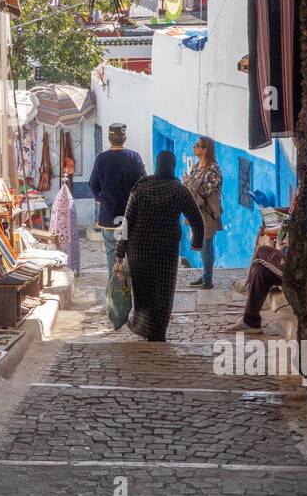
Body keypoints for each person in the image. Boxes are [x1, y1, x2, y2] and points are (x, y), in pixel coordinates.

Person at [113, 151, 204, 342]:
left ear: (157, 165)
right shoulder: (180, 190)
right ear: (173, 166)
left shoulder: (140, 188)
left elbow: (127, 223)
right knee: (163, 292)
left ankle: (142, 326)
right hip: (166, 251)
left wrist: (120, 251)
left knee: (143, 292)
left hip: (139, 250)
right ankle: (158, 333)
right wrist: (196, 243)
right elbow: (197, 220)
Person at [88, 123, 146, 275]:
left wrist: (100, 199)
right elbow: (144, 183)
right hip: (131, 215)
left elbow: (93, 184)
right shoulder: (134, 157)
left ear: (109, 138)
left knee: (111, 250)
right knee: (131, 250)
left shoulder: (101, 159)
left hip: (109, 216)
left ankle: (114, 288)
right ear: (125, 138)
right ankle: (132, 287)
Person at [182, 137, 223, 289]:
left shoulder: (213, 169)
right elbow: (191, 191)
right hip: (196, 212)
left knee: (206, 245)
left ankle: (208, 281)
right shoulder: (196, 167)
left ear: (205, 150)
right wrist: (191, 185)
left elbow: (204, 191)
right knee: (204, 246)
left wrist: (188, 182)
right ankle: (206, 275)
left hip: (208, 213)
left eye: (197, 145)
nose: (194, 147)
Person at [231, 229, 288, 333]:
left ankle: (246, 286)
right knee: (260, 271)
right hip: (295, 265)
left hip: (295, 274)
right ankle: (250, 321)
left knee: (262, 251)